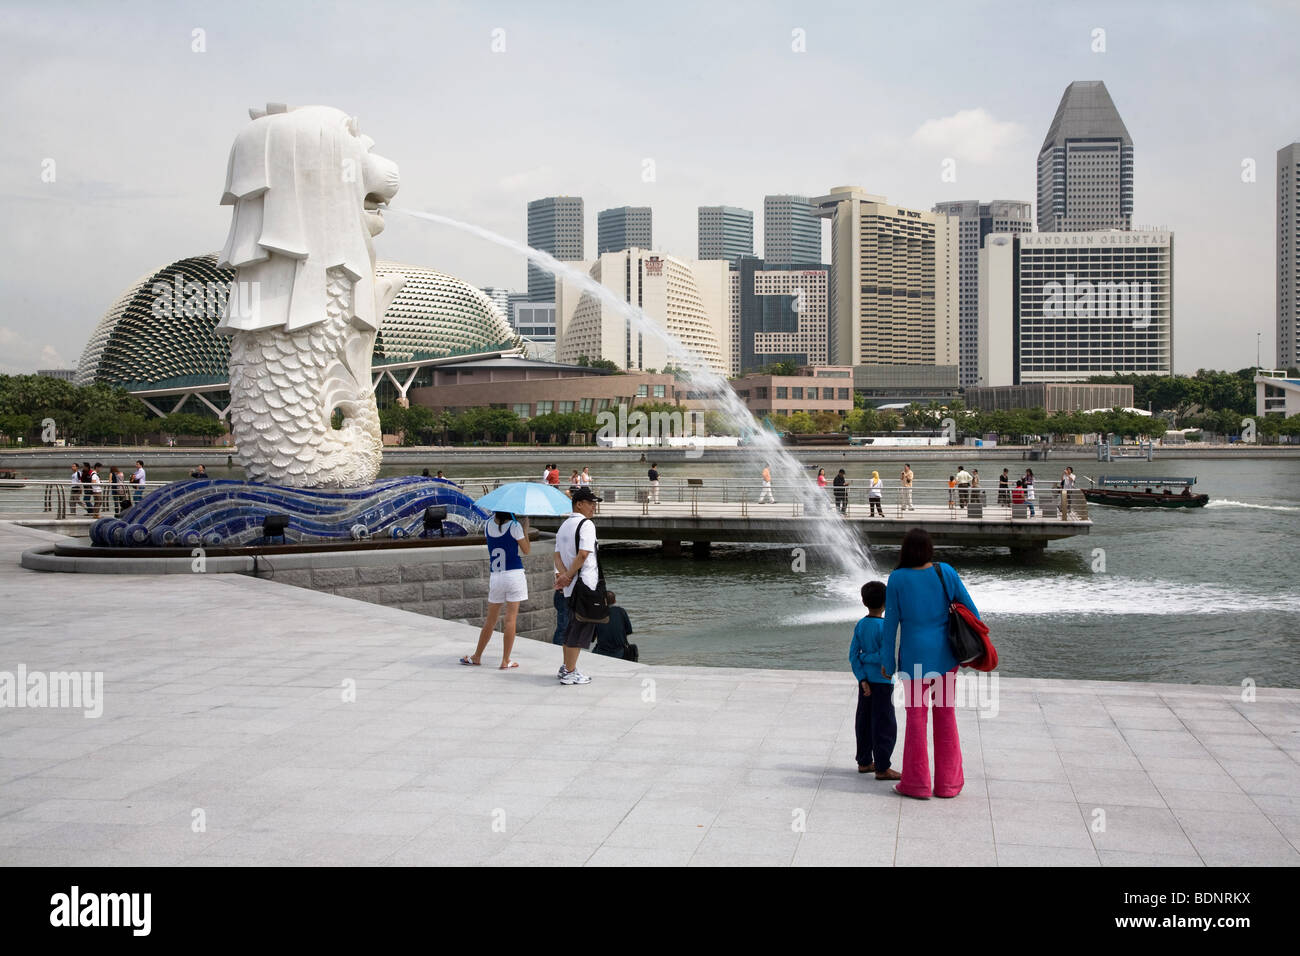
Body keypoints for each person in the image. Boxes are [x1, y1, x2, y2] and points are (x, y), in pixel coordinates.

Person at [881, 528, 981, 799]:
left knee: (916, 719)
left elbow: (890, 626)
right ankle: (948, 785)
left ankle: (917, 784)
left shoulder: (898, 578)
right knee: (945, 715)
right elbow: (973, 611)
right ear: (929, 549)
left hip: (914, 659)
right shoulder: (945, 571)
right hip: (946, 657)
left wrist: (886, 663)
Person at [460, 511, 531, 669]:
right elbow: (526, 550)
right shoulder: (515, 526)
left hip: (496, 576)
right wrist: (525, 529)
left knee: (490, 620)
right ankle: (505, 660)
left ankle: (477, 655)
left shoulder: (487, 525)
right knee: (510, 620)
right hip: (513, 575)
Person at [850, 580, 899, 780]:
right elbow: (885, 656)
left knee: (863, 720)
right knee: (884, 724)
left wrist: (862, 677)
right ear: (886, 603)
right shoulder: (885, 627)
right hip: (882, 682)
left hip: (865, 683)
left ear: (864, 602)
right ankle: (882, 766)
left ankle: (864, 761)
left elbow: (853, 656)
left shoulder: (861, 625)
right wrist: (872, 658)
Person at [554, 486, 603, 685]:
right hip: (585, 584)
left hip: (570, 586)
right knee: (580, 628)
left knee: (571, 626)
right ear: (579, 504)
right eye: (590, 503)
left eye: (595, 504)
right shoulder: (587, 525)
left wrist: (565, 576)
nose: (593, 507)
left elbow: (556, 555)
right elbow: (584, 554)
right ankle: (570, 672)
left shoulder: (564, 525)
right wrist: (569, 575)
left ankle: (567, 667)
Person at [593, 591, 636, 660]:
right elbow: (629, 631)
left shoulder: (596, 613)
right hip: (620, 652)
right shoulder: (621, 611)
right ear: (615, 601)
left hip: (602, 652)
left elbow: (592, 637)